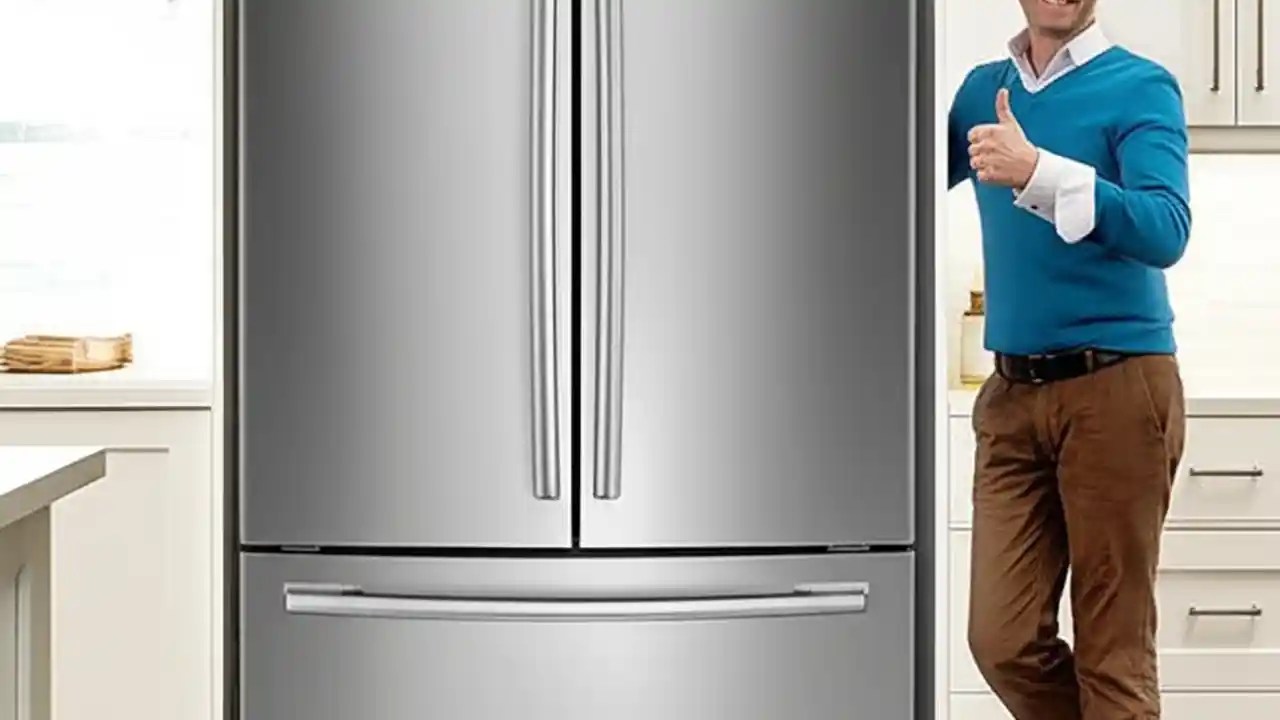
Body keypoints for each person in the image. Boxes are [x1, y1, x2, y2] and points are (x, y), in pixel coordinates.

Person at [947, 0, 1191, 718]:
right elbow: (880, 186)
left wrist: (1038, 172)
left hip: (1117, 388)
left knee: (1112, 655)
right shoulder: (978, 92)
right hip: (1011, 395)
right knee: (1001, 639)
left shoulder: (1141, 86)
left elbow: (1165, 226)